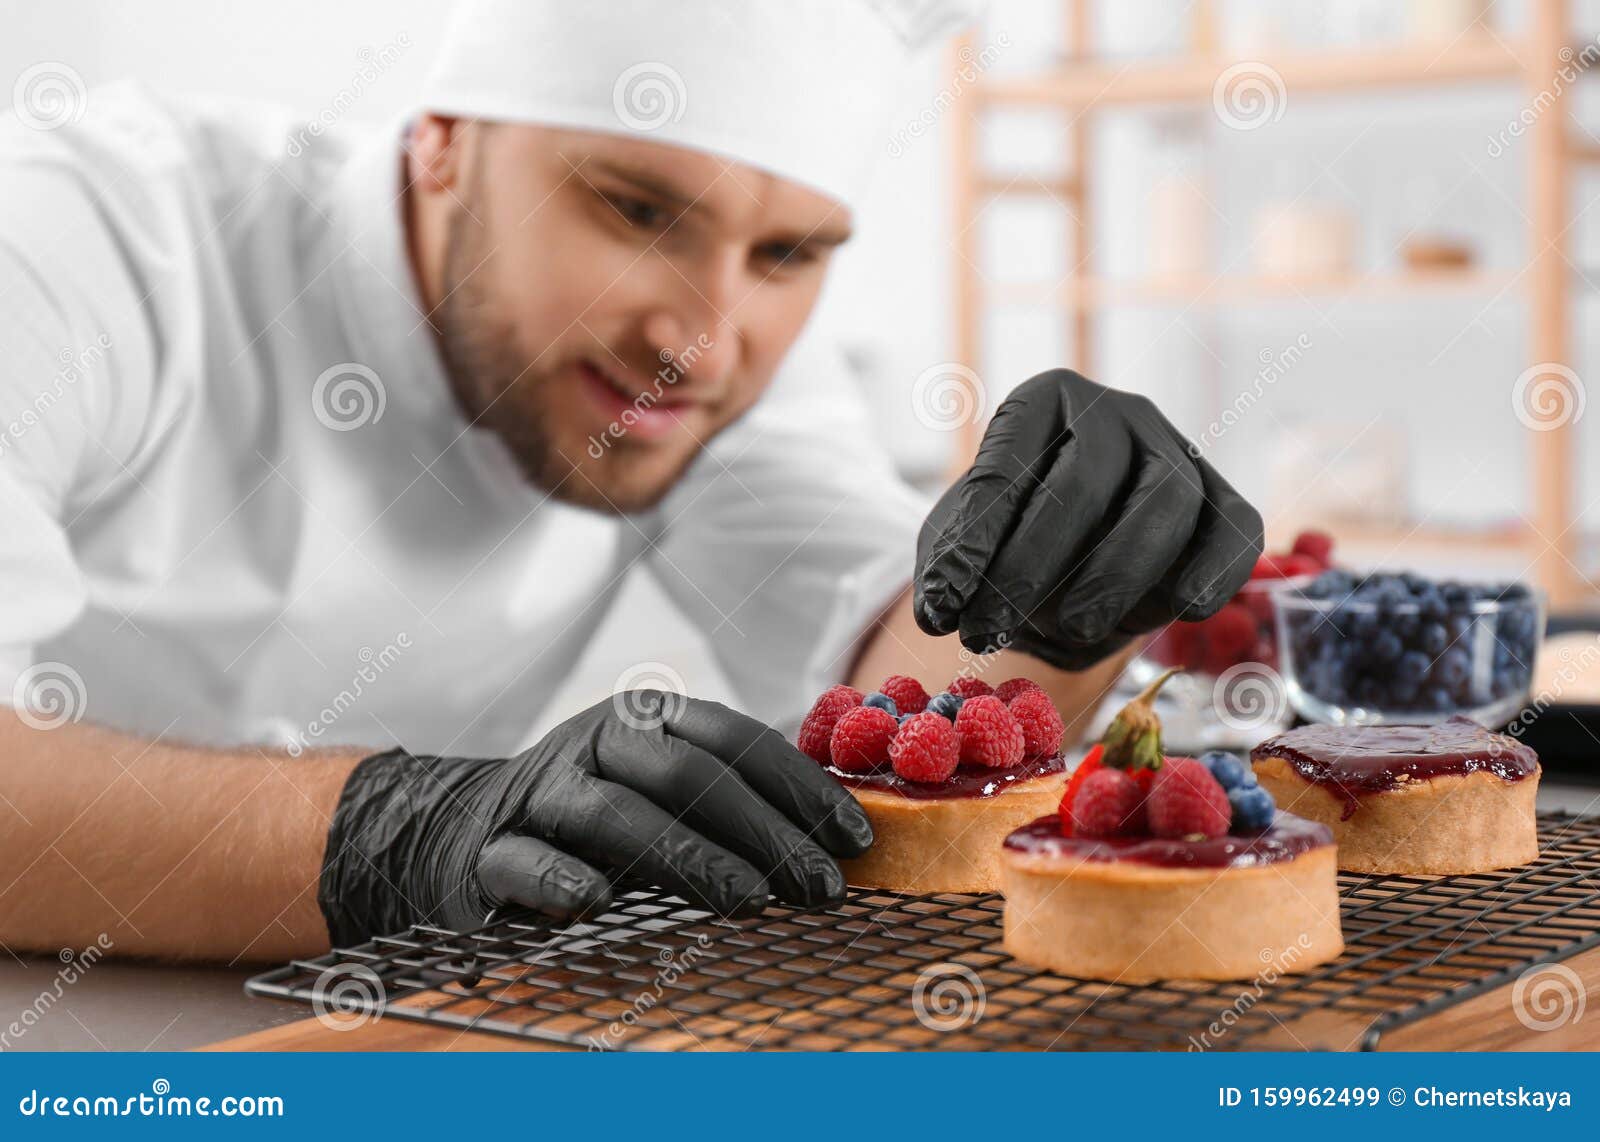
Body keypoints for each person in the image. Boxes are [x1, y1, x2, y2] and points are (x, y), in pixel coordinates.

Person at [0, 0, 1261, 961]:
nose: (701, 341)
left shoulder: (713, 382)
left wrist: (1064, 589)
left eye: (784, 253)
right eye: (633, 212)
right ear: (440, 140)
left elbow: (908, 697)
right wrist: (385, 829)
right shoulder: (84, 235)